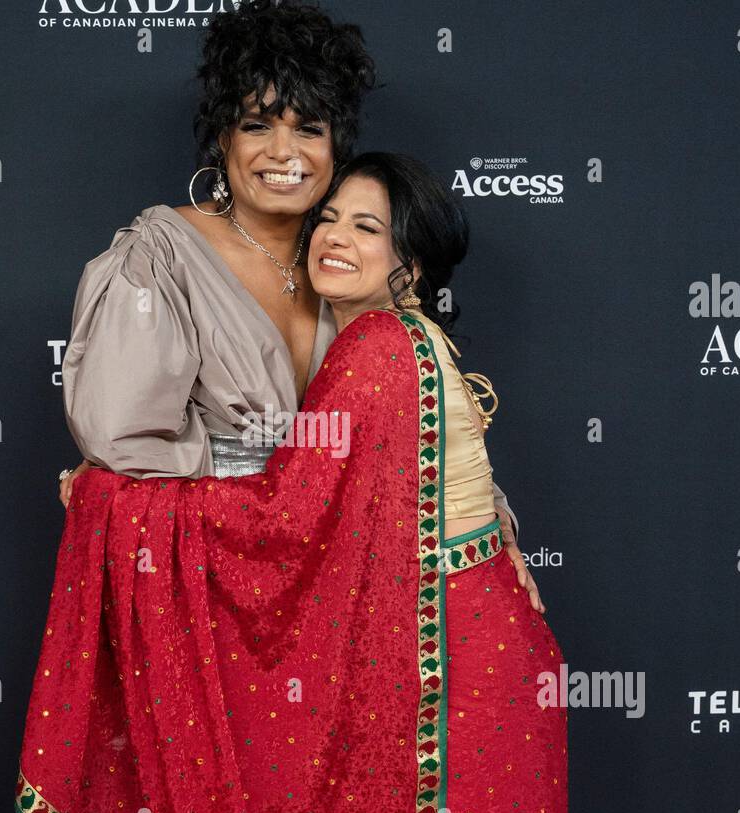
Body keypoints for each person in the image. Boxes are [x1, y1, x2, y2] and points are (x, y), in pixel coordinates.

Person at [15, 153, 567, 813]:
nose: (335, 236)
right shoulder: (402, 337)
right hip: (472, 645)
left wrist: (113, 498)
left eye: (367, 227)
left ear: (411, 264)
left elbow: (287, 520)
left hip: (451, 670)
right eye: (329, 219)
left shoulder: (375, 348)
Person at [52, 0, 538, 594]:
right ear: (223, 139)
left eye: (309, 128)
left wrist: (485, 522)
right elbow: (121, 437)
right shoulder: (159, 257)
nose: (284, 153)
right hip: (220, 578)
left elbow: (416, 410)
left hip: (346, 580)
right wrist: (269, 483)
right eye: (258, 125)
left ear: (335, 147)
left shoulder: (349, 260)